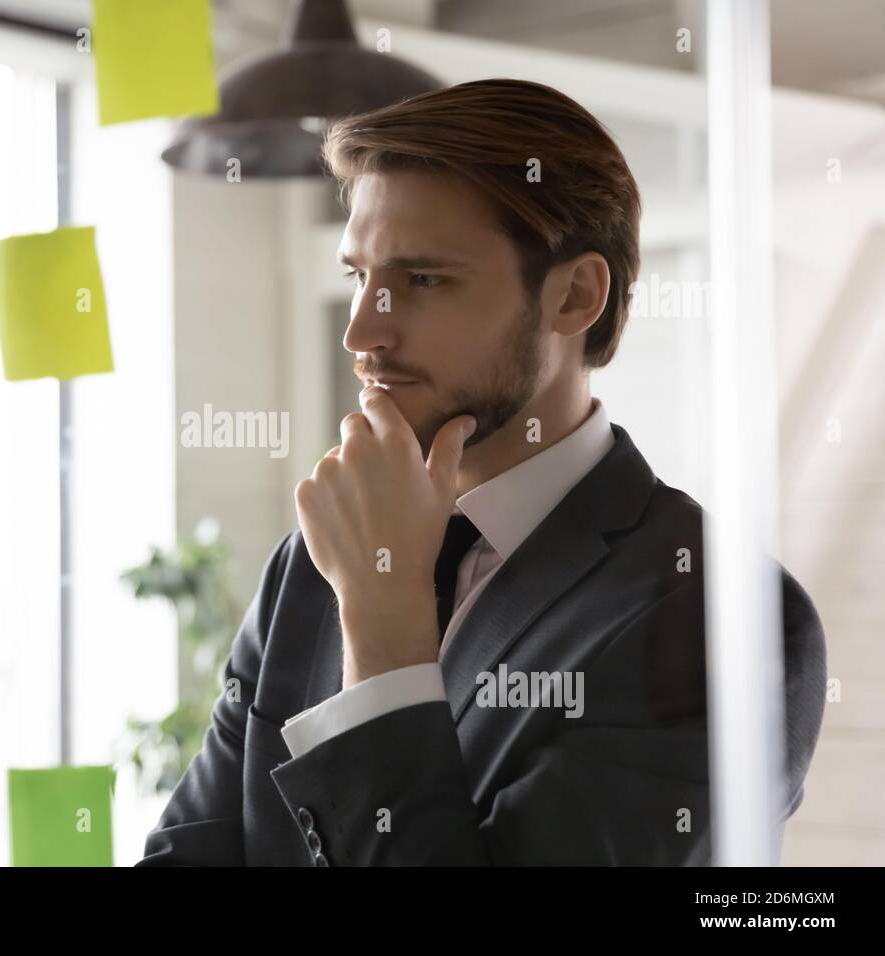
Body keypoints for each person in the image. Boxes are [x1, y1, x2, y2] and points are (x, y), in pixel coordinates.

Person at [137, 79, 826, 866]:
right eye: (360, 275)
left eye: (423, 280)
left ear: (577, 296)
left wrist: (385, 621)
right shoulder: (312, 561)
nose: (361, 331)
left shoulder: (729, 620)